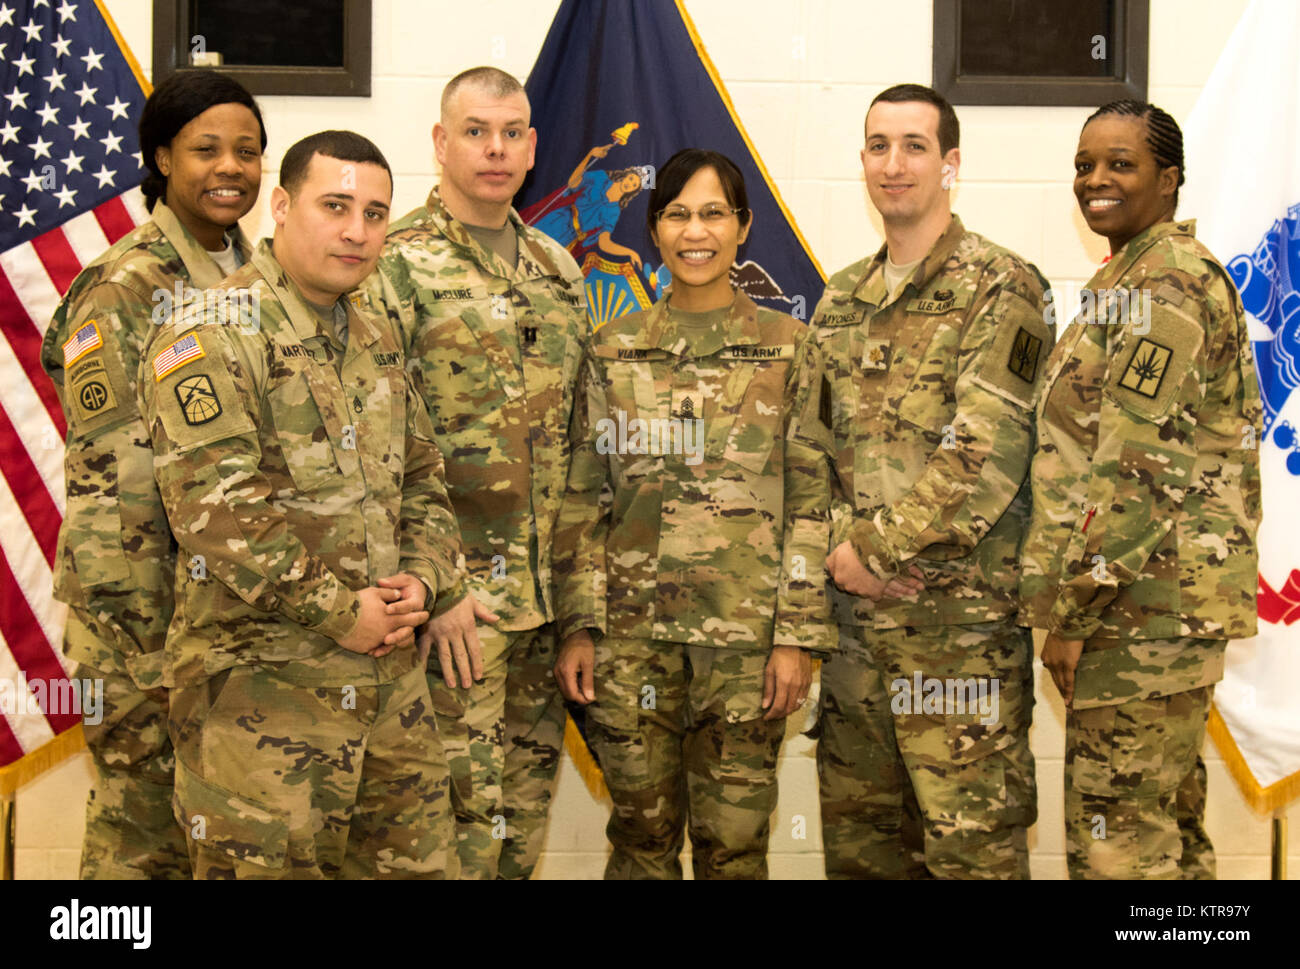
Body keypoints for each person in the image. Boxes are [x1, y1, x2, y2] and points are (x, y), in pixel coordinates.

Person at [140, 130, 464, 879]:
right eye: (336, 205)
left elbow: (424, 475)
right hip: (262, 698)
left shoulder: (378, 335)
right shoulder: (211, 331)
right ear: (281, 207)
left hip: (389, 694)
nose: (357, 231)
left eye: (376, 213)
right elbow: (217, 512)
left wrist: (422, 577)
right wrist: (339, 611)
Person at [553, 147, 835, 880]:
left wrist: (797, 635)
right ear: (654, 230)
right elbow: (584, 495)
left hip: (746, 651)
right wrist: (578, 624)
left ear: (743, 227)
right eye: (677, 213)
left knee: (733, 849)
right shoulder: (611, 349)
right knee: (641, 845)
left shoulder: (791, 349)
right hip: (629, 643)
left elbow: (812, 501)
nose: (695, 230)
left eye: (713, 213)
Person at [811, 84, 1053, 879]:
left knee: (969, 857)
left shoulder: (1003, 286)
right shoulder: (840, 298)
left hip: (958, 642)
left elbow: (986, 453)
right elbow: (807, 456)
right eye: (878, 145)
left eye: (914, 146)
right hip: (854, 645)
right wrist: (837, 556)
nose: (894, 164)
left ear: (949, 164)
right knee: (862, 856)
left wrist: (872, 549)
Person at [1019, 100, 1262, 879]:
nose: (1097, 180)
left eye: (1120, 164)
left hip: (1140, 618)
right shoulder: (1129, 278)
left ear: (1170, 180)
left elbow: (1136, 474)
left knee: (1117, 848)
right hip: (1147, 615)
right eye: (1085, 165)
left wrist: (1074, 615)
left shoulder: (1166, 285)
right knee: (1167, 841)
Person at [360, 67, 588, 880]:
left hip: (539, 620)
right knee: (443, 843)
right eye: (476, 131)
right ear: (440, 141)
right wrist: (442, 588)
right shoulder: (393, 266)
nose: (496, 148)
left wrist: (580, 611)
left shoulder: (558, 271)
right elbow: (377, 448)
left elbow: (581, 448)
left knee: (515, 839)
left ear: (532, 147)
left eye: (512, 132)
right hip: (448, 620)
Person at [39, 70, 266, 880]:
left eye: (247, 150)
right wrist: (164, 618)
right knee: (142, 827)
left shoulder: (260, 278)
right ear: (163, 157)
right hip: (141, 605)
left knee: (216, 822)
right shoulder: (126, 283)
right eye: (206, 149)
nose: (230, 167)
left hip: (229, 601)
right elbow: (115, 468)